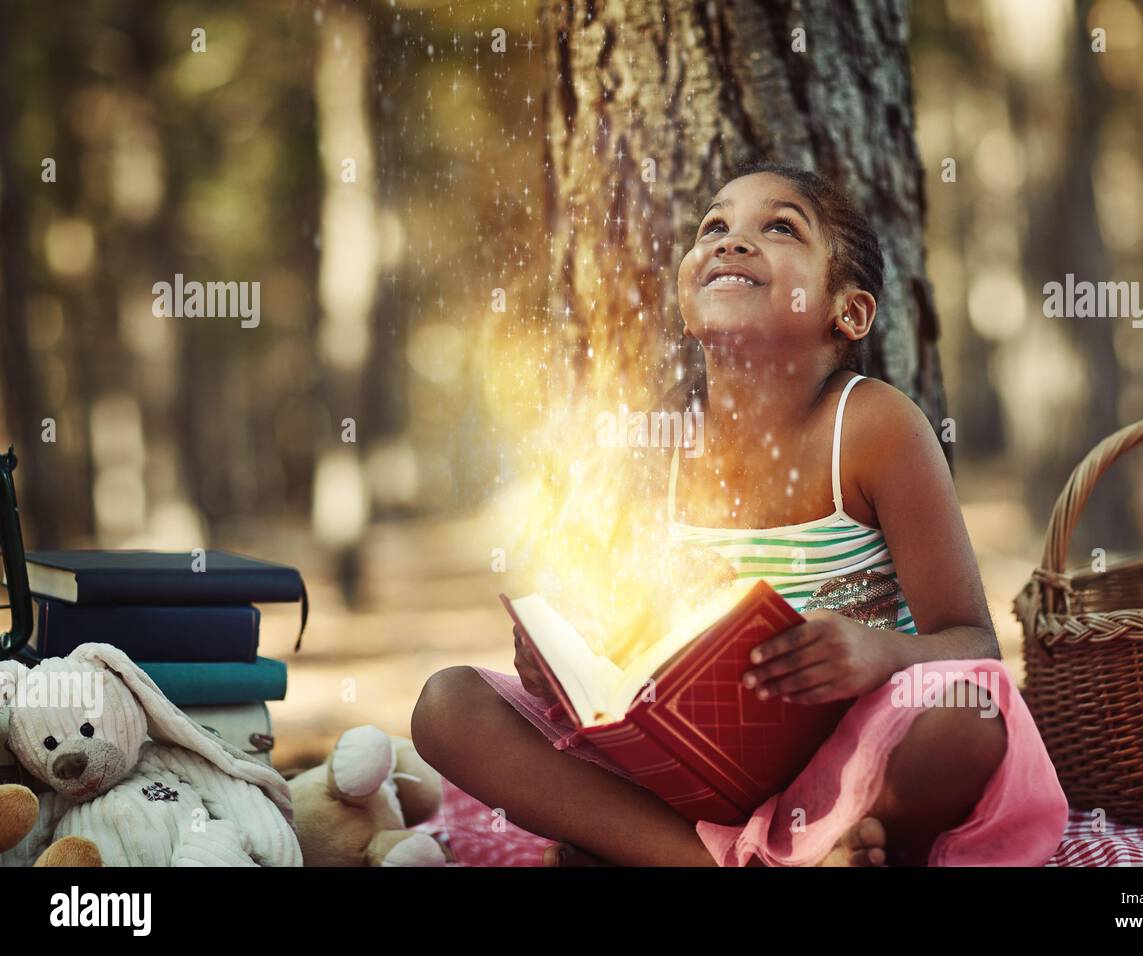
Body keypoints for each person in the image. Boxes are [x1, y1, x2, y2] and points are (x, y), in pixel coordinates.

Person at [412, 160, 1068, 866]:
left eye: (779, 227)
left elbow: (971, 642)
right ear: (687, 305)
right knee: (448, 705)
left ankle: (744, 847)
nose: (730, 242)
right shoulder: (660, 450)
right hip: (697, 779)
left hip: (853, 761)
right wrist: (568, 673)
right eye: (714, 227)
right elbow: (638, 648)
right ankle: (747, 861)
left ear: (846, 312)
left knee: (971, 716)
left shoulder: (873, 427)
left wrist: (876, 652)